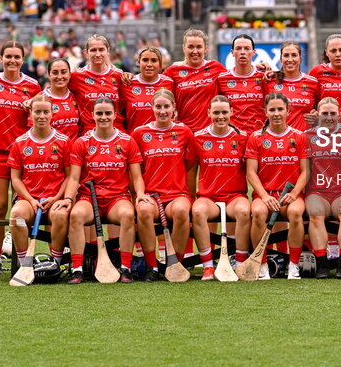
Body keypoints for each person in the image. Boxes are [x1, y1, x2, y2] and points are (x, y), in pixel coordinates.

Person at [54, 97, 152, 284]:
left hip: (117, 197)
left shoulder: (127, 141)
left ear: (115, 114)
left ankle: (125, 267)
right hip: (89, 197)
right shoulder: (82, 142)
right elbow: (74, 178)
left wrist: (140, 194)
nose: (103, 117)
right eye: (99, 113)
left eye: (108, 113)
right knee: (75, 215)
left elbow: (137, 177)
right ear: (92, 115)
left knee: (127, 215)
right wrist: (68, 198)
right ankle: (77, 269)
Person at [0, 41, 41, 273]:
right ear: (0, 58)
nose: (12, 61)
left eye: (17, 57)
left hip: (23, 155)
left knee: (21, 207)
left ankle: (22, 257)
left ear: (23, 59)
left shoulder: (33, 86)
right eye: (8, 56)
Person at [132, 89, 199, 278]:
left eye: (166, 107)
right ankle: (152, 266)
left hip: (178, 194)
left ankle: (174, 263)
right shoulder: (140, 133)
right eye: (158, 106)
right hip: (151, 195)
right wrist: (139, 194)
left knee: (181, 212)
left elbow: (191, 162)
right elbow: (135, 167)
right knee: (144, 212)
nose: (162, 111)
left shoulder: (184, 132)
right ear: (152, 108)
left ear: (174, 109)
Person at [246, 93, 310, 280]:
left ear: (288, 111)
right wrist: (265, 196)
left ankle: (293, 265)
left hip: (291, 194)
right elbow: (251, 172)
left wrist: (295, 193)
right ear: (265, 112)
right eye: (272, 109)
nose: (276, 113)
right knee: (258, 213)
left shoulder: (299, 136)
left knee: (296, 213)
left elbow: (306, 171)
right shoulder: (256, 137)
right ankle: (263, 264)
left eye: (280, 109)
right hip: (266, 194)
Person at [7, 94, 72, 272]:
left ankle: (56, 264)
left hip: (54, 198)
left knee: (60, 215)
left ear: (52, 114)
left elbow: (69, 176)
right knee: (17, 215)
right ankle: (25, 265)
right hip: (29, 200)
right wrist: (30, 200)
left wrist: (56, 198)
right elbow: (16, 179)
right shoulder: (20, 143)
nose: (41, 116)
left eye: (45, 112)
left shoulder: (64, 141)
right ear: (30, 114)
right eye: (37, 112)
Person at [190, 95, 253, 274]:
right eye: (216, 112)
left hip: (234, 196)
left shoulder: (242, 138)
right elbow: (191, 170)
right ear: (208, 113)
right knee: (197, 211)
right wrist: (190, 196)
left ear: (232, 112)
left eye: (224, 112)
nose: (220, 116)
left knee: (244, 211)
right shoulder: (199, 137)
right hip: (208, 196)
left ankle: (239, 263)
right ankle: (208, 266)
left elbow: (250, 170)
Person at [306, 97, 341, 278]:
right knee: (316, 215)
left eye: (333, 113)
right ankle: (322, 264)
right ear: (317, 115)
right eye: (324, 113)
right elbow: (306, 170)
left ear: (339, 115)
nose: (328, 117)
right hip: (318, 191)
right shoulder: (309, 135)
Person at [163, 29, 227, 133]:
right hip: (184, 132)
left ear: (206, 48)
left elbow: (236, 78)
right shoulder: (173, 71)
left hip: (211, 132)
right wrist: (129, 76)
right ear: (184, 48)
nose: (195, 51)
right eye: (191, 47)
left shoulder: (215, 67)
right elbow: (155, 87)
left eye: (199, 47)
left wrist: (260, 68)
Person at [69, 34, 125, 133]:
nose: (98, 54)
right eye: (93, 50)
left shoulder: (119, 75)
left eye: (101, 50)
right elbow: (53, 89)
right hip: (89, 132)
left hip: (116, 131)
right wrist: (33, 99)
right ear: (86, 52)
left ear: (108, 51)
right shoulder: (76, 76)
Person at [264, 41, 319, 130]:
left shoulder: (312, 82)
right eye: (286, 55)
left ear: (300, 59)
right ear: (281, 59)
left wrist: (318, 116)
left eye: (294, 55)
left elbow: (321, 108)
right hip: (277, 139)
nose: (290, 59)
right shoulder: (270, 80)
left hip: (304, 139)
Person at [217, 34, 266, 133]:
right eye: (238, 49)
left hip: (259, 136)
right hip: (234, 136)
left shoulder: (264, 77)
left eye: (247, 49)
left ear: (253, 52)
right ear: (232, 52)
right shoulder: (222, 79)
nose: (242, 52)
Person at [121, 46, 175, 132]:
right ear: (139, 62)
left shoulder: (169, 83)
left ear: (160, 64)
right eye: (145, 60)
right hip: (135, 139)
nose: (149, 64)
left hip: (163, 139)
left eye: (154, 60)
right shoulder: (128, 83)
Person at [42, 58, 80, 140]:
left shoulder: (77, 95)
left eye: (63, 72)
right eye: (55, 73)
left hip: (75, 151)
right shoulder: (41, 100)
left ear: (70, 74)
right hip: (52, 151)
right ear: (49, 75)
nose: (59, 76)